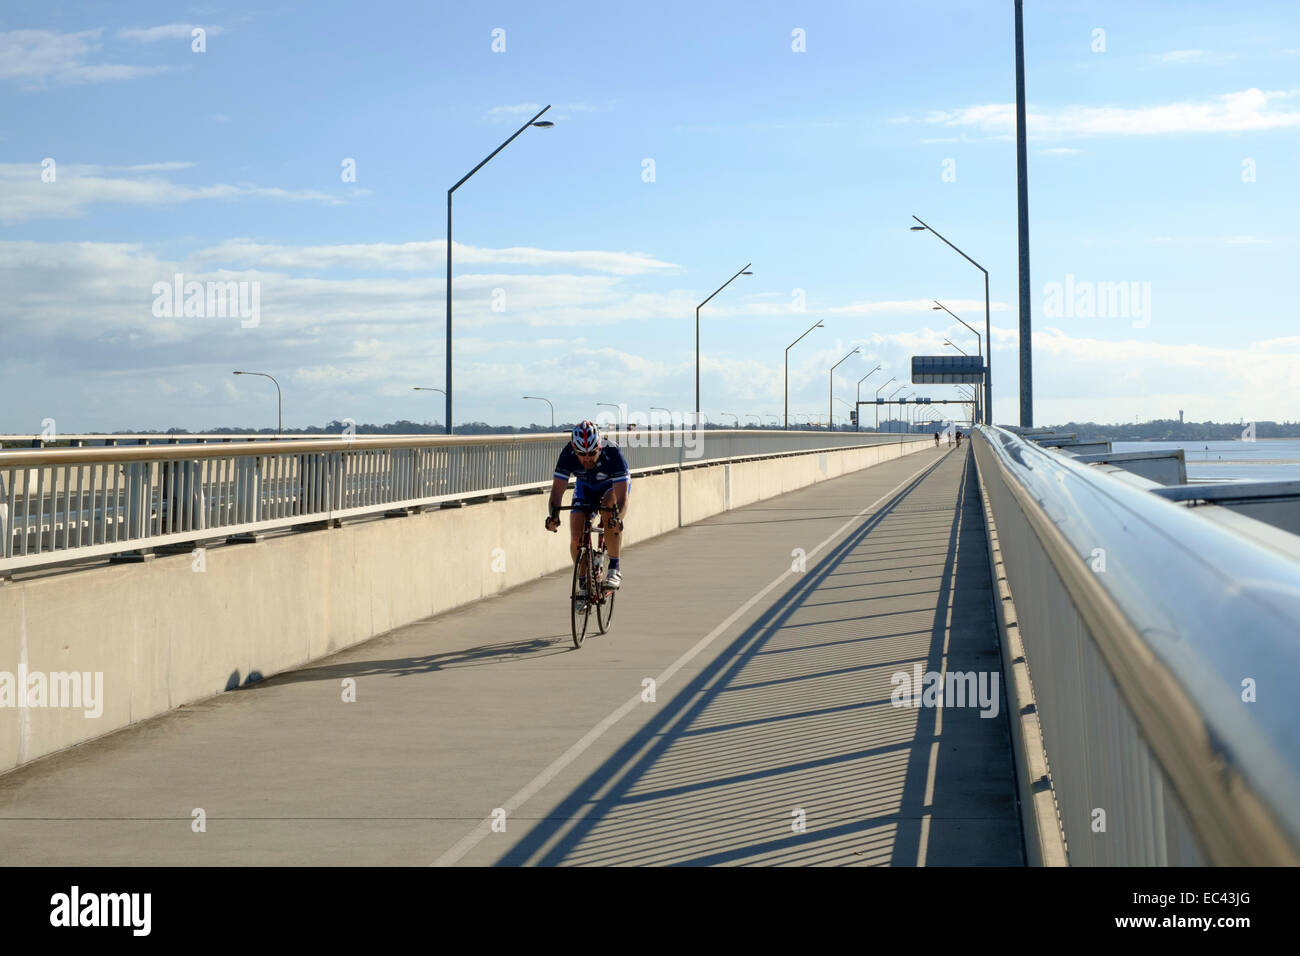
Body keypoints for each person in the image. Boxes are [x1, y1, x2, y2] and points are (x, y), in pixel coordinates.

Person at [545, 420, 630, 607]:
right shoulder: (567, 453)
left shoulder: (613, 452)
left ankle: (614, 568)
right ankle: (583, 583)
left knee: (610, 512)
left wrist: (619, 518)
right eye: (581, 455)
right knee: (576, 537)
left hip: (611, 486)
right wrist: (553, 516)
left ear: (600, 447)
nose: (587, 459)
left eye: (592, 453)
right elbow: (557, 492)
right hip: (585, 487)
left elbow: (623, 498)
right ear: (574, 449)